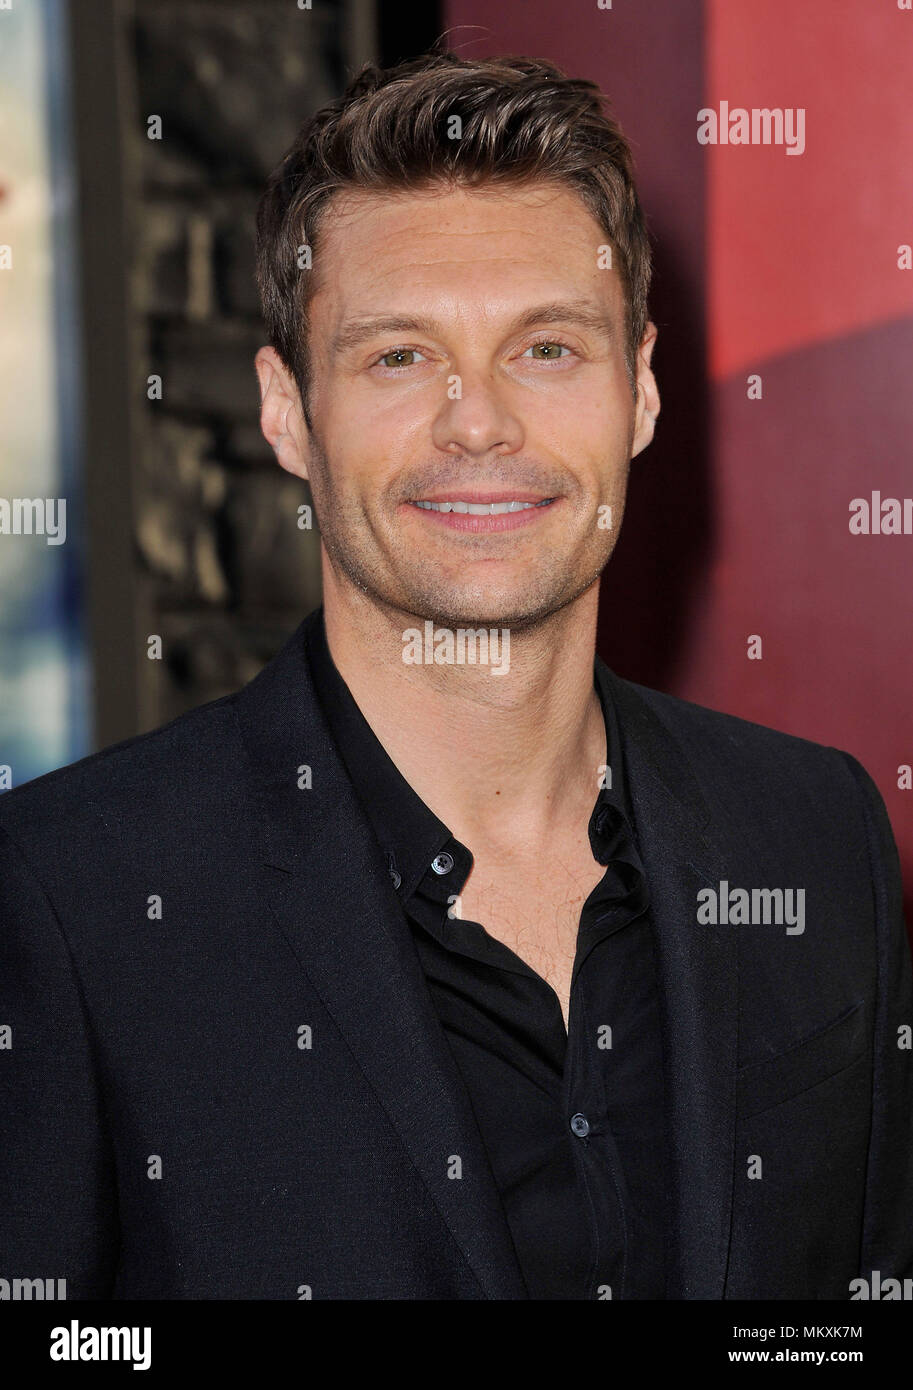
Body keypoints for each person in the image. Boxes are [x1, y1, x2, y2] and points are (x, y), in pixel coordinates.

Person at [1, 48, 910, 1301]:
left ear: (638, 389)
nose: (476, 422)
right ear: (285, 411)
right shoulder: (70, 898)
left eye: (545, 347)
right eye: (397, 357)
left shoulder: (813, 840)